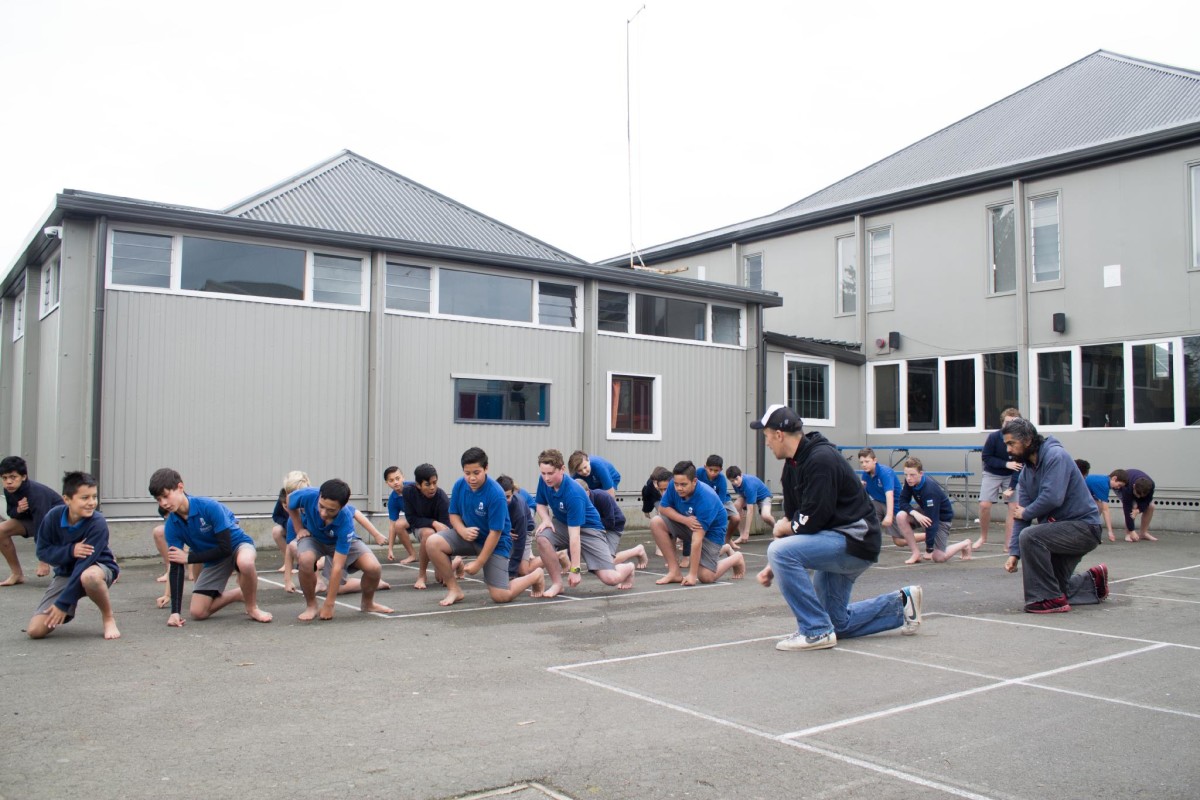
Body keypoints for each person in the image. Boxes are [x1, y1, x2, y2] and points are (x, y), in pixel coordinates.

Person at [750, 404, 921, 652]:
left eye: (766, 436)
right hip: (835, 540)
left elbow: (810, 520)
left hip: (854, 540)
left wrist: (783, 533)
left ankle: (815, 632)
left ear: (779, 434)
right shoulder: (792, 466)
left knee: (779, 551)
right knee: (836, 623)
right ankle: (902, 604)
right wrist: (773, 563)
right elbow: (796, 522)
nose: (766, 443)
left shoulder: (821, 460)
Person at [1002, 418, 1109, 613]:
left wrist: (1027, 511)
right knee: (1058, 587)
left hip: (1084, 528)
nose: (1008, 450)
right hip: (1059, 532)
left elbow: (1053, 498)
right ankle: (1094, 581)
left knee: (1031, 536)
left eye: (1011, 444)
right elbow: (1021, 515)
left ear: (1027, 440)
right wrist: (1014, 553)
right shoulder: (1026, 472)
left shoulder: (1055, 456)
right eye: (1006, 444)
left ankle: (1047, 600)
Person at [148, 468, 273, 627]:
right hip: (213, 558)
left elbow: (225, 548)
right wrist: (175, 612)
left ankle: (252, 607)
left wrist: (189, 558)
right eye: (158, 499)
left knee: (246, 562)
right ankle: (239, 594)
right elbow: (176, 566)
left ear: (180, 487)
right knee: (198, 613)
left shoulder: (208, 506)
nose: (163, 503)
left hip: (236, 546)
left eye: (166, 496)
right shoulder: (172, 525)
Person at [429, 448, 545, 606]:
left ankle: (536, 575)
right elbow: (454, 514)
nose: (471, 478)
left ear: (486, 468)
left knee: (500, 596)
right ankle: (454, 589)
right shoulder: (459, 485)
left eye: (476, 472)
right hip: (470, 536)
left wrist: (479, 563)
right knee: (432, 542)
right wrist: (462, 530)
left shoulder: (496, 493)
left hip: (495, 543)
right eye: (467, 473)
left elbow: (495, 533)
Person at [27, 471, 121, 640]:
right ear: (67, 499)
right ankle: (71, 602)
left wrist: (63, 603)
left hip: (97, 568)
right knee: (35, 631)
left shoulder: (97, 523)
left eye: (94, 497)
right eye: (85, 498)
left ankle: (108, 617)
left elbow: (84, 564)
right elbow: (42, 551)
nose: (92, 503)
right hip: (66, 573)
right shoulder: (53, 517)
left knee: (89, 576)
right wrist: (71, 551)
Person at [287, 478, 392, 621]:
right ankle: (311, 605)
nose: (323, 513)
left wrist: (329, 604)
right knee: (305, 560)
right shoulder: (308, 495)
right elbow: (289, 501)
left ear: (343, 506)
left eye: (331, 510)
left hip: (338, 542)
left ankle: (368, 603)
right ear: (319, 496)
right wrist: (299, 528)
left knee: (374, 568)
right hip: (313, 537)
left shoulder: (346, 520)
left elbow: (338, 565)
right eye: (321, 506)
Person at [534, 449, 634, 598]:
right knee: (542, 537)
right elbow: (540, 504)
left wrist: (575, 570)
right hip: (562, 523)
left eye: (550, 473)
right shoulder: (544, 481)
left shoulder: (573, 493)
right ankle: (557, 584)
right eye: (543, 473)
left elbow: (575, 536)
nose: (546, 478)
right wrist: (546, 519)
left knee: (611, 579)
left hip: (589, 529)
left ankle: (629, 568)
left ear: (562, 469)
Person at [649, 461, 745, 586]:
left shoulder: (706, 497)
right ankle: (674, 572)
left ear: (694, 481)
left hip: (711, 535)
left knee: (706, 577)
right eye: (676, 484)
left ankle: (735, 558)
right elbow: (663, 508)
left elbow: (697, 539)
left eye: (683, 485)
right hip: (688, 523)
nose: (678, 488)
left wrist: (692, 575)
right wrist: (685, 520)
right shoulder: (673, 485)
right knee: (656, 522)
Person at [895, 458, 973, 565]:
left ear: (921, 473)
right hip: (925, 512)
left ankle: (965, 543)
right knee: (901, 516)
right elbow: (902, 502)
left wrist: (929, 548)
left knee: (938, 558)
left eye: (912, 475)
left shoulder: (929, 490)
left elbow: (933, 522)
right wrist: (915, 513)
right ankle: (915, 553)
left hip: (941, 518)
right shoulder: (909, 482)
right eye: (906, 475)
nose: (908, 478)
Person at [0, 455, 62, 585]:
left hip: (59, 522)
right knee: (1, 530)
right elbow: (11, 513)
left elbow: (43, 523)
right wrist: (18, 510)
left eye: (13, 477)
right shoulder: (9, 490)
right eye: (4, 478)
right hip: (33, 520)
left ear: (24, 477)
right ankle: (17, 574)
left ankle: (106, 563)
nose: (8, 482)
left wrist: (43, 560)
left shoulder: (36, 492)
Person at [976, 407, 1023, 550]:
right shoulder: (994, 437)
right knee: (984, 505)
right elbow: (986, 458)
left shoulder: (1020, 440)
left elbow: (1019, 466)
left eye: (1014, 423)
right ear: (1002, 423)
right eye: (1007, 422)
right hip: (993, 472)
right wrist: (1005, 463)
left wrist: (1012, 487)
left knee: (1013, 507)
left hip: (1011, 476)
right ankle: (983, 537)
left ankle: (1008, 543)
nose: (1010, 426)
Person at [574, 478, 648, 569]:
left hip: (613, 527)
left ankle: (638, 550)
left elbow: (610, 523)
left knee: (607, 563)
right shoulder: (573, 503)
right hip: (594, 528)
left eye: (582, 496)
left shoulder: (602, 496)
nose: (578, 500)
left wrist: (590, 522)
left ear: (588, 492)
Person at [405, 464, 454, 590]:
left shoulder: (442, 498)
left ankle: (457, 563)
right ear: (418, 485)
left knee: (441, 578)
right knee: (428, 533)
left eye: (434, 483)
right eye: (427, 484)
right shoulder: (408, 492)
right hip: (420, 528)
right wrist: (433, 523)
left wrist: (444, 565)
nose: (432, 487)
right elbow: (411, 519)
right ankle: (422, 576)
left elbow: (446, 529)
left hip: (440, 535)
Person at [857, 449, 908, 548]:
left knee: (899, 541)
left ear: (874, 460)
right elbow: (864, 496)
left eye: (867, 461)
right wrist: (859, 487)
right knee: (865, 519)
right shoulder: (865, 474)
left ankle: (929, 536)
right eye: (861, 462)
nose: (864, 464)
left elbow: (890, 495)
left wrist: (889, 516)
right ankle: (868, 540)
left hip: (894, 504)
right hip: (877, 502)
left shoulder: (885, 472)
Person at [497, 474, 536, 578]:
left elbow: (520, 542)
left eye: (508, 497)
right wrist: (505, 532)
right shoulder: (493, 502)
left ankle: (558, 556)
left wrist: (512, 572)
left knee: (522, 571)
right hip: (507, 531)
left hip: (523, 531)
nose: (504, 500)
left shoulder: (518, 510)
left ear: (513, 493)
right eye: (501, 496)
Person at [696, 454, 741, 543]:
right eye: (710, 470)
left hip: (721, 500)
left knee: (736, 518)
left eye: (716, 471)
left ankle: (727, 539)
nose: (712, 473)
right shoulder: (698, 473)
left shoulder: (721, 479)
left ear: (721, 470)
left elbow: (720, 501)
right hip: (702, 500)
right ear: (705, 467)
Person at [726, 465, 775, 545]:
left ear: (741, 475)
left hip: (763, 497)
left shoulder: (749, 485)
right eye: (732, 481)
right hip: (747, 495)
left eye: (736, 479)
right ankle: (741, 535)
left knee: (765, 516)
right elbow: (742, 495)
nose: (735, 482)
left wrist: (747, 532)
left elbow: (750, 511)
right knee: (736, 506)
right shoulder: (735, 484)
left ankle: (777, 529)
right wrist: (742, 506)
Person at [1109, 469, 1158, 543]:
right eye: (1137, 494)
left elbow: (1147, 500)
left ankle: (1143, 533)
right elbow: (1127, 509)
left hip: (1138, 484)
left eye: (1141, 496)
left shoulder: (1151, 485)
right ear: (1134, 486)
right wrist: (1132, 530)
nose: (1138, 497)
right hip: (1124, 485)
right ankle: (1128, 533)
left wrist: (1139, 510)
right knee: (1132, 506)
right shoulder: (1127, 487)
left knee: (1151, 507)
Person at [1076, 460, 1117, 542]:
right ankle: (1089, 533)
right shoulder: (1103, 484)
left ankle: (1089, 532)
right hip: (1077, 497)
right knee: (1098, 506)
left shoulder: (1103, 480)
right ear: (1114, 478)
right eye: (1119, 485)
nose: (1118, 488)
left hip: (1081, 496)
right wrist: (1110, 532)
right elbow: (1106, 510)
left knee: (1097, 505)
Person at [384, 466, 416, 564]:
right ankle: (412, 555)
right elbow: (392, 525)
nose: (395, 482)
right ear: (387, 483)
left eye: (398, 478)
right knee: (398, 525)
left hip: (429, 515)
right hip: (414, 519)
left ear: (403, 477)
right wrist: (390, 549)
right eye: (391, 480)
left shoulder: (414, 487)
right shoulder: (393, 500)